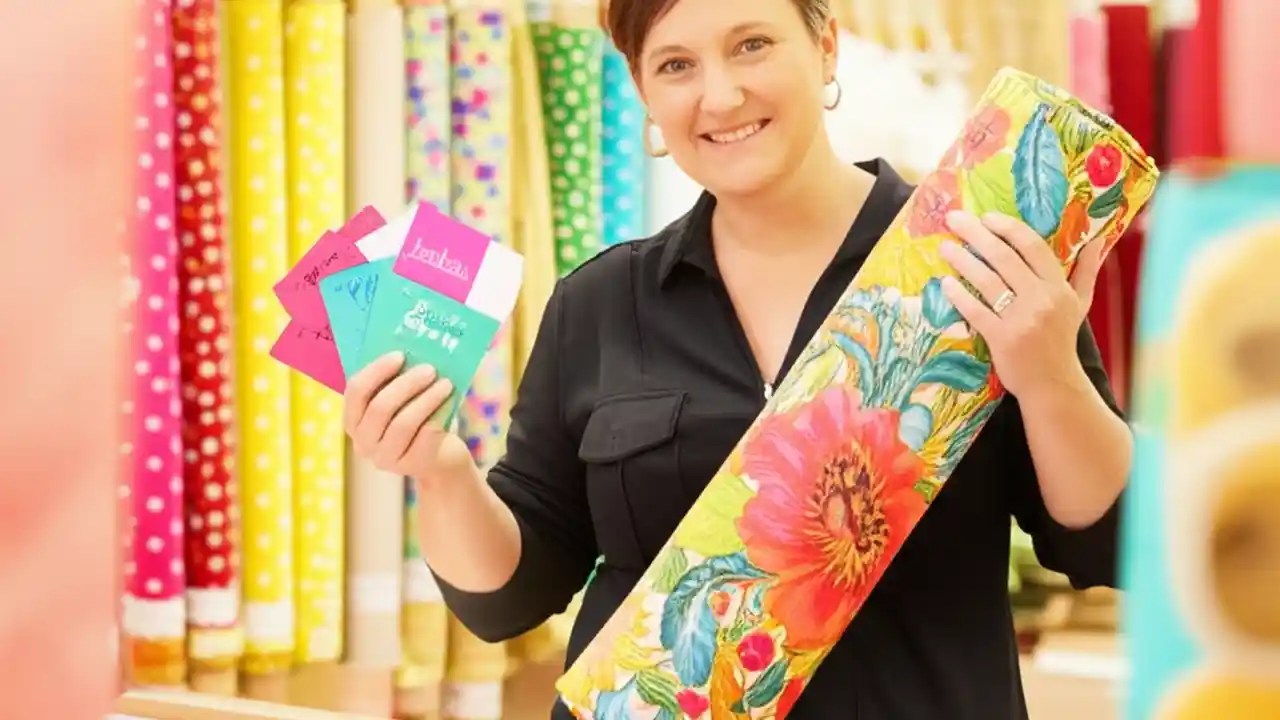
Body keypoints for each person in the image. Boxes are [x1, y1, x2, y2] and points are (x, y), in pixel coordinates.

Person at [342, 0, 1133, 717]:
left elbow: (1107, 542)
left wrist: (1049, 375)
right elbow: (511, 594)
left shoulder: (968, 256)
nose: (719, 97)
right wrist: (439, 470)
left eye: (751, 44)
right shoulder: (600, 304)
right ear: (644, 93)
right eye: (676, 65)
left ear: (826, 47)